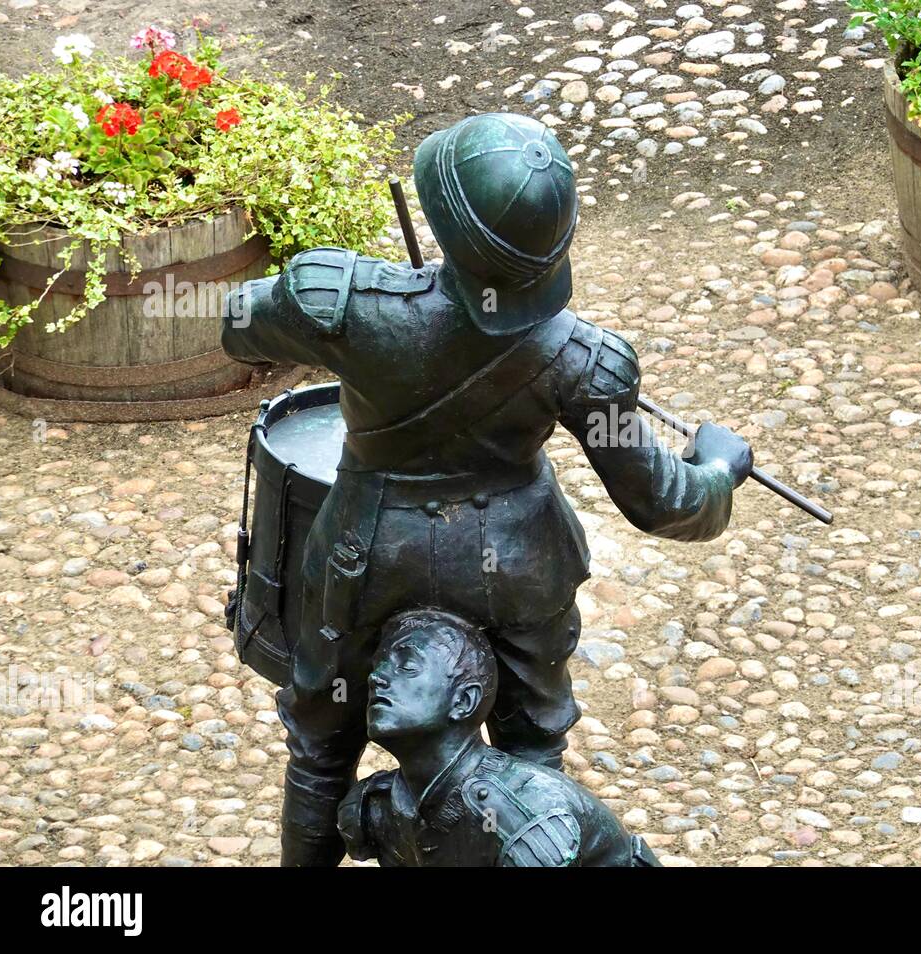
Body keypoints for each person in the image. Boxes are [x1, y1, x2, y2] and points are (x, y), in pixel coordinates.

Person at [220, 112, 752, 865]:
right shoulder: (585, 360)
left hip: (368, 557)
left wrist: (363, 306)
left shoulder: (347, 306)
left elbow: (237, 323)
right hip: (519, 567)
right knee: (530, 754)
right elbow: (664, 502)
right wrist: (719, 469)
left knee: (322, 747)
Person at [338, 609, 660, 866]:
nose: (377, 677)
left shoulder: (527, 819)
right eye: (380, 666)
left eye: (406, 666)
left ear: (463, 702)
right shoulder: (378, 807)